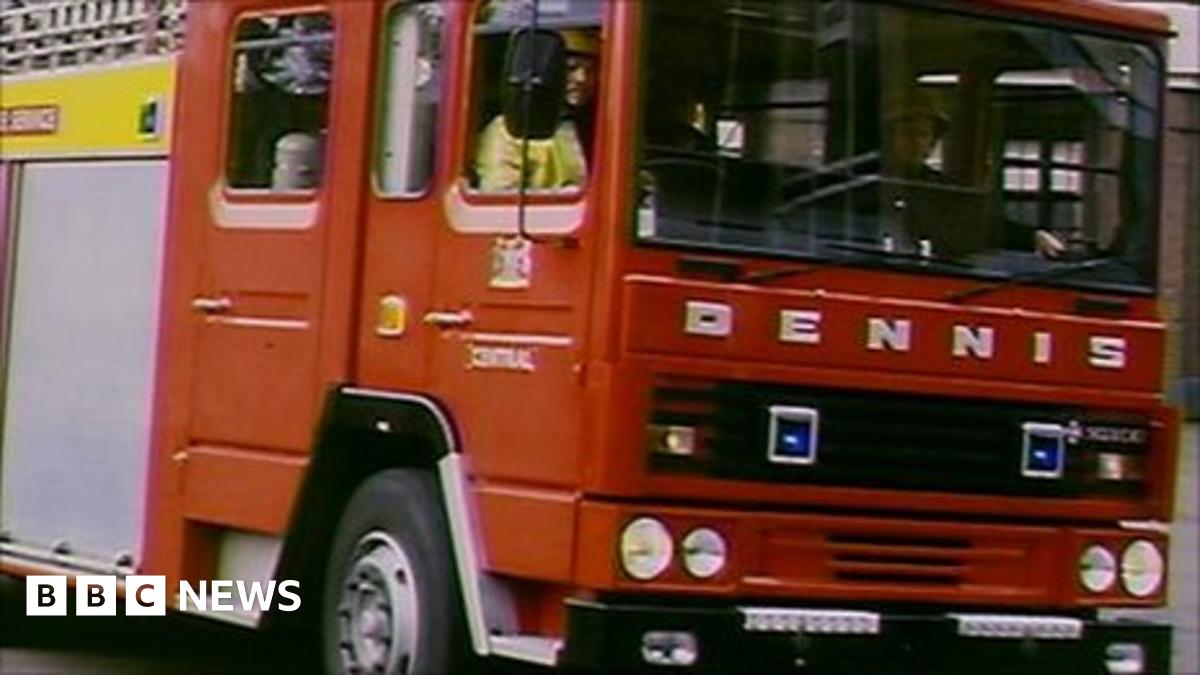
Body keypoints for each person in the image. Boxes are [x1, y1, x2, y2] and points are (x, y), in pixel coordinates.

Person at [880, 95, 1065, 258]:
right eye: (906, 133)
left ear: (932, 142)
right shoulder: (864, 181)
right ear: (889, 137)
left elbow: (979, 225)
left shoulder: (941, 189)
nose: (915, 142)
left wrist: (1032, 237)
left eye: (923, 135)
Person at [474, 29, 599, 192]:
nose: (582, 79)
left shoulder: (596, 126)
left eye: (591, 71)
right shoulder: (508, 130)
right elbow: (500, 195)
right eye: (571, 68)